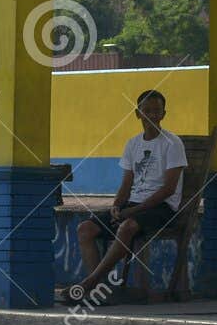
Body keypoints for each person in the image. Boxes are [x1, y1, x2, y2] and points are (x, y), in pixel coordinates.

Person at [71, 88, 186, 300]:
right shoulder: (133, 144)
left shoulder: (172, 143)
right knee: (85, 228)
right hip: (133, 205)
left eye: (156, 111)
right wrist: (117, 205)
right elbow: (127, 183)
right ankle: (99, 292)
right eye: (147, 110)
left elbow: (169, 189)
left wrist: (133, 211)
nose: (152, 115)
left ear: (163, 114)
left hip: (161, 209)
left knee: (128, 226)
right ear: (138, 113)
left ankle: (90, 283)